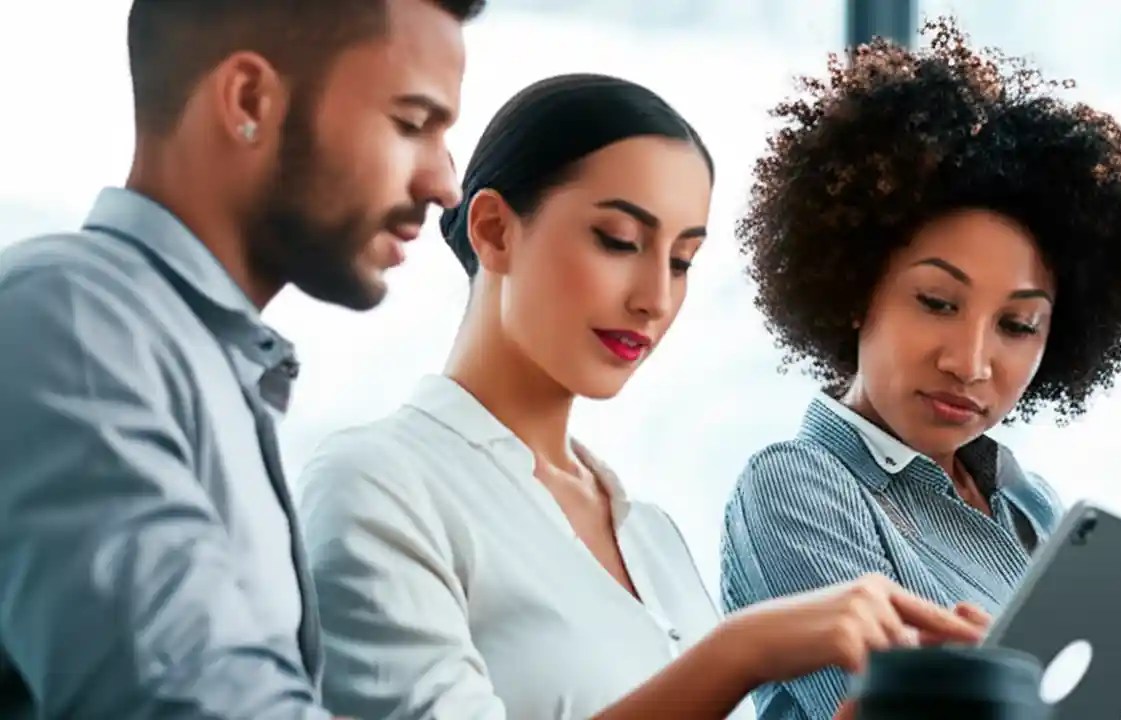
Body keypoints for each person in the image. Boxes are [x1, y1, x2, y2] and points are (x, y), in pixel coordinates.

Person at [297, 72, 989, 720]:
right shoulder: (375, 484)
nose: (655, 299)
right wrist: (741, 653)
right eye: (619, 240)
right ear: (494, 230)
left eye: (682, 261)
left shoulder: (651, 537)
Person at [0, 1, 483, 717]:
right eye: (412, 124)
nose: (445, 185)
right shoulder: (69, 321)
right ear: (249, 100)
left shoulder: (194, 360)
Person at [719, 18, 1121, 720]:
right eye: (937, 302)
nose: (970, 363)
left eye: (1017, 325)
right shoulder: (796, 485)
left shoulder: (1031, 507)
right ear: (856, 289)